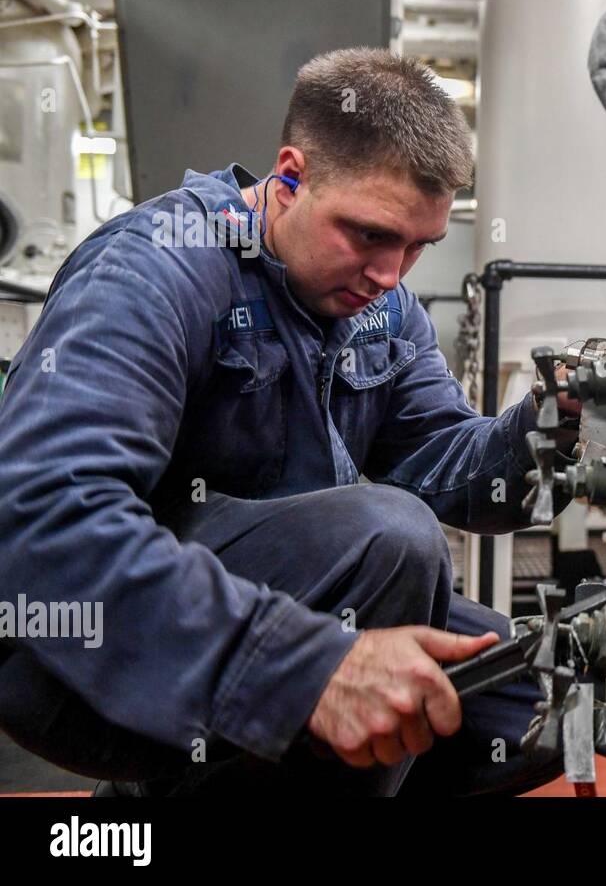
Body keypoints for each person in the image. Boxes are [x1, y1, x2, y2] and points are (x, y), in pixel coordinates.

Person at [0, 47, 575, 795]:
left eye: (416, 246)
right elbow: (41, 519)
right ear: (290, 176)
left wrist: (552, 425)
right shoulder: (153, 271)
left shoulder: (386, 311)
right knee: (392, 538)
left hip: (271, 615)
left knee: (543, 695)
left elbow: (452, 469)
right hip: (81, 652)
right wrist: (306, 668)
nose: (391, 276)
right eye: (368, 235)